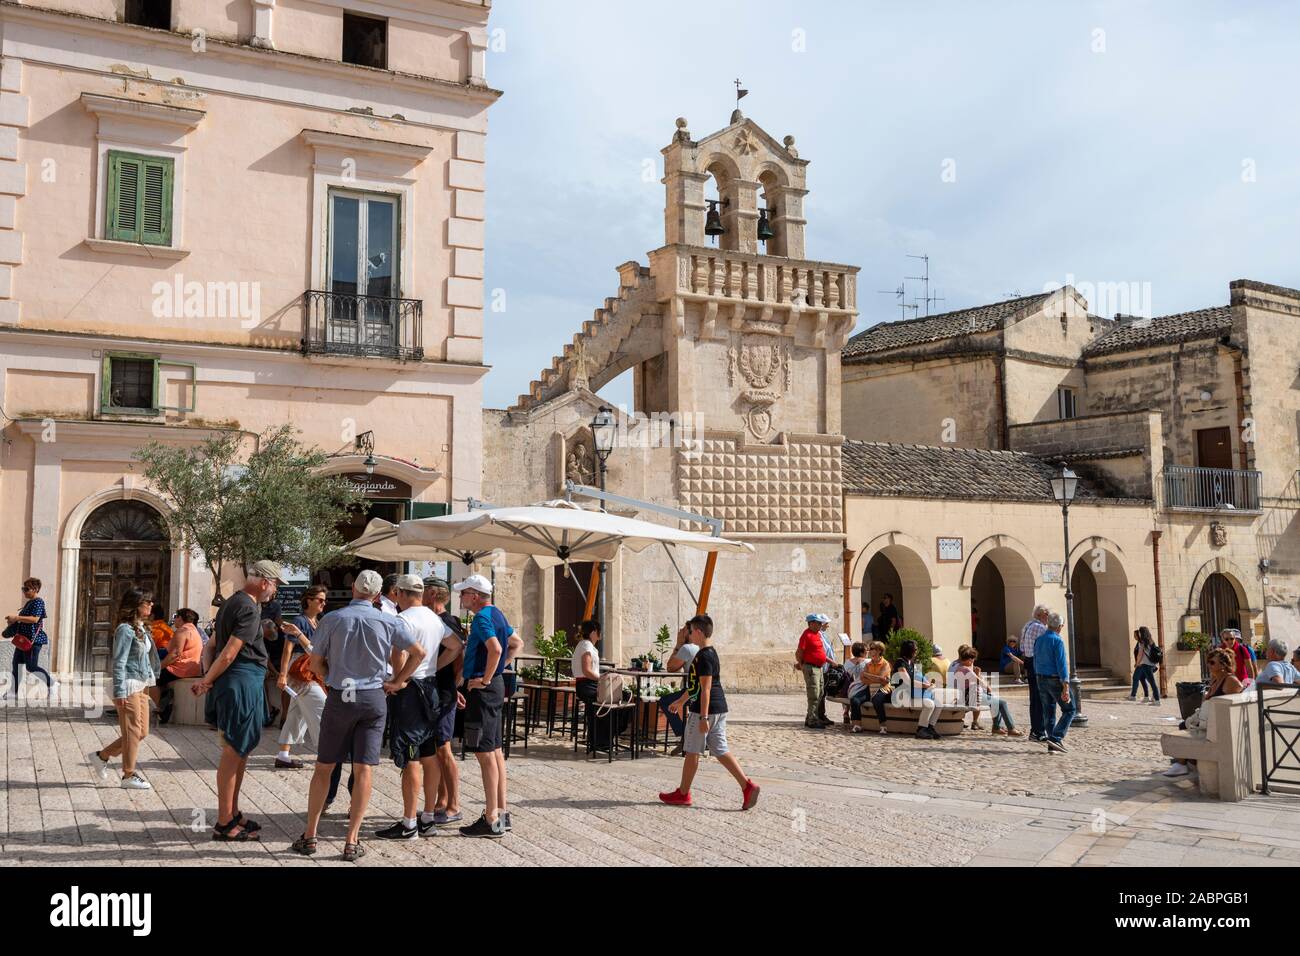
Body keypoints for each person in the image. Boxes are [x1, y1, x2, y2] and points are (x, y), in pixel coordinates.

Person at [292, 570, 424, 861]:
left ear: (352, 588)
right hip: (373, 696)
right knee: (364, 769)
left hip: (342, 694)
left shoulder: (332, 619)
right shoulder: (388, 620)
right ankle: (351, 840)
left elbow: (315, 662)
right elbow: (419, 653)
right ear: (379, 595)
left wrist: (331, 677)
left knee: (324, 766)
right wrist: (399, 681)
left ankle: (310, 835)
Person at [192, 560, 286, 842]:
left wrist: (208, 675)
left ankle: (232, 813)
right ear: (265, 582)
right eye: (277, 585)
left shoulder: (233, 603)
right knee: (233, 752)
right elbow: (230, 652)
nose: (276, 591)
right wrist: (207, 680)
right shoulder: (247, 607)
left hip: (239, 682)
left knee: (240, 749)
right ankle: (224, 823)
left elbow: (212, 646)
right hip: (241, 682)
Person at [659, 614, 760, 810]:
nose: (689, 635)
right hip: (720, 708)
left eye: (690, 632)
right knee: (720, 750)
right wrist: (680, 702)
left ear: (697, 632)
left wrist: (703, 717)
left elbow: (704, 689)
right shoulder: (711, 653)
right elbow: (696, 687)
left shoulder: (703, 656)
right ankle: (747, 785)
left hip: (704, 711)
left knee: (692, 751)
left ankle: (683, 793)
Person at [376, 574, 447, 840]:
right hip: (430, 687)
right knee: (429, 755)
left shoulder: (403, 620)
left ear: (400, 593)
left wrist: (398, 679)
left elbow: (400, 653)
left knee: (411, 758)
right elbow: (453, 646)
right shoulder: (434, 619)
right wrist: (431, 671)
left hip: (411, 691)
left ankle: (409, 824)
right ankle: (427, 818)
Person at [454, 573, 523, 838]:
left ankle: (491, 817)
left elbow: (495, 649)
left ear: (474, 595)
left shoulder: (482, 617)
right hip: (495, 688)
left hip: (483, 691)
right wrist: (495, 674)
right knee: (494, 751)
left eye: (463, 593)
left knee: (485, 753)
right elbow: (516, 644)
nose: (460, 597)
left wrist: (483, 678)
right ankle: (501, 813)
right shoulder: (497, 614)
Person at [88, 588, 161, 789]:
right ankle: (128, 775)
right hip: (128, 685)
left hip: (141, 684)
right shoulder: (124, 630)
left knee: (142, 731)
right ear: (136, 605)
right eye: (147, 601)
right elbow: (119, 662)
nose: (151, 605)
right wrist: (119, 692)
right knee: (132, 731)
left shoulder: (142, 628)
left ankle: (101, 756)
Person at [423, 576, 466, 827]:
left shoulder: (447, 622)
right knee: (437, 749)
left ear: (433, 594)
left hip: (443, 693)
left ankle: (454, 805)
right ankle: (441, 801)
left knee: (444, 749)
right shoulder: (437, 620)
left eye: (424, 591)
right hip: (440, 691)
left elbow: (458, 652)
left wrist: (451, 681)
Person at [1164, 648, 1242, 778]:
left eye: (1212, 662)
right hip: (1210, 719)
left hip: (1219, 722)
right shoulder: (1215, 680)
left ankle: (1182, 763)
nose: (1208, 665)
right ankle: (1185, 762)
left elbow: (1233, 703)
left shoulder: (1230, 681)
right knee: (1183, 726)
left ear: (1223, 665)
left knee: (1185, 728)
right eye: (1208, 662)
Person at [274, 586, 326, 770]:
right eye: (319, 599)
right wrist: (282, 674)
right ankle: (326, 752)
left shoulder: (316, 622)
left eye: (324, 600)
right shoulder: (299, 621)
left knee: (297, 713)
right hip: (300, 672)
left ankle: (283, 755)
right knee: (322, 707)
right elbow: (287, 649)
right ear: (308, 600)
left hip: (310, 671)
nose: (323, 603)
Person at [953, 647, 1020, 736]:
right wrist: (980, 677)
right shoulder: (965, 669)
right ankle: (1011, 728)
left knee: (996, 702)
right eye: (973, 659)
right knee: (1002, 703)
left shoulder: (959, 667)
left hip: (969, 695)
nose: (973, 662)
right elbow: (981, 682)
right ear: (969, 659)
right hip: (971, 697)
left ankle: (996, 727)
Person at [153, 608, 202, 723]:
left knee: (151, 678)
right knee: (160, 676)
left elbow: (175, 654)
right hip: (193, 669)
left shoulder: (182, 631)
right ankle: (165, 698)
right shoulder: (195, 631)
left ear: (180, 618)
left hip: (180, 669)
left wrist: (158, 668)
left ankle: (157, 709)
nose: (174, 620)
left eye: (176, 617)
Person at [1034, 611, 1074, 755]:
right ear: (1060, 626)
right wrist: (1066, 685)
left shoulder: (1039, 639)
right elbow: (1061, 664)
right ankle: (1056, 738)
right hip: (1054, 679)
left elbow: (1035, 659)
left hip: (1040, 677)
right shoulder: (1057, 640)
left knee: (1048, 711)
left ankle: (1052, 744)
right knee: (1070, 709)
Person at [6, 577, 52, 696]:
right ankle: (13, 691)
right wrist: (13, 622)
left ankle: (52, 684)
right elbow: (24, 620)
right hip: (22, 639)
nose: (24, 591)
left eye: (26, 589)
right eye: (23, 588)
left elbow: (35, 619)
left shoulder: (38, 601)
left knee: (31, 667)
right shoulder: (29, 602)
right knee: (16, 665)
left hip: (32, 640)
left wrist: (17, 618)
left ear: (35, 589)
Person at [659, 623, 699, 755]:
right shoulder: (700, 647)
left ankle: (684, 737)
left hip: (692, 692)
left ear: (688, 632)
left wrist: (678, 644)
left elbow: (670, 667)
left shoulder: (686, 648)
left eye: (683, 629)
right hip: (702, 691)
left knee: (665, 701)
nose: (680, 631)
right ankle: (685, 739)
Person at [890, 639, 941, 740]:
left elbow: (918, 677)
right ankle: (921, 730)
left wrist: (929, 684)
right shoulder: (900, 663)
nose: (917, 652)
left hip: (913, 694)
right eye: (915, 649)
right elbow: (907, 681)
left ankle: (929, 727)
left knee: (938, 704)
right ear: (909, 650)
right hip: (902, 695)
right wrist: (924, 685)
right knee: (929, 704)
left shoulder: (912, 663)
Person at [1019, 605, 1050, 741]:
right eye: (1047, 614)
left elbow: (1021, 647)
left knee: (1035, 699)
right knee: (1041, 698)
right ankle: (1039, 731)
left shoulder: (1028, 625)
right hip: (1038, 664)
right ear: (1040, 615)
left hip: (1029, 662)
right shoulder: (1040, 627)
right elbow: (1051, 641)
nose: (1048, 617)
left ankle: (1035, 730)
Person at [794, 614, 830, 729]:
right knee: (814, 694)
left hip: (818, 667)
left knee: (820, 693)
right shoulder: (807, 634)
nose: (821, 625)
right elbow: (799, 652)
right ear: (811, 623)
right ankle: (812, 721)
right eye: (818, 623)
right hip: (811, 668)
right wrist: (801, 665)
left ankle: (810, 717)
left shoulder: (817, 634)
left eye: (821, 623)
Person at [849, 641, 890, 729]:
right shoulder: (868, 664)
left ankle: (883, 726)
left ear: (879, 650)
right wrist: (877, 679)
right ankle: (857, 725)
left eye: (871, 649)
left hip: (883, 689)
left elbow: (882, 679)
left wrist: (867, 675)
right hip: (869, 688)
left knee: (877, 700)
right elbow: (863, 680)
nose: (869, 651)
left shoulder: (885, 664)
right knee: (855, 700)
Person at [1129, 627, 1161, 704]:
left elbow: (1140, 654)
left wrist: (1137, 663)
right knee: (1145, 679)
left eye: (1139, 632)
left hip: (1145, 665)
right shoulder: (1150, 640)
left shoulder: (1142, 642)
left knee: (1152, 682)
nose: (1138, 633)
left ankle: (1157, 700)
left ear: (1142, 633)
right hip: (1151, 664)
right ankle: (1151, 698)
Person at [841, 642, 868, 724]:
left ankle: (846, 711)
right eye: (866, 651)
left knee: (849, 688)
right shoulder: (867, 662)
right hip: (861, 689)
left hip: (848, 690)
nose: (867, 652)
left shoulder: (847, 662)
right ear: (861, 652)